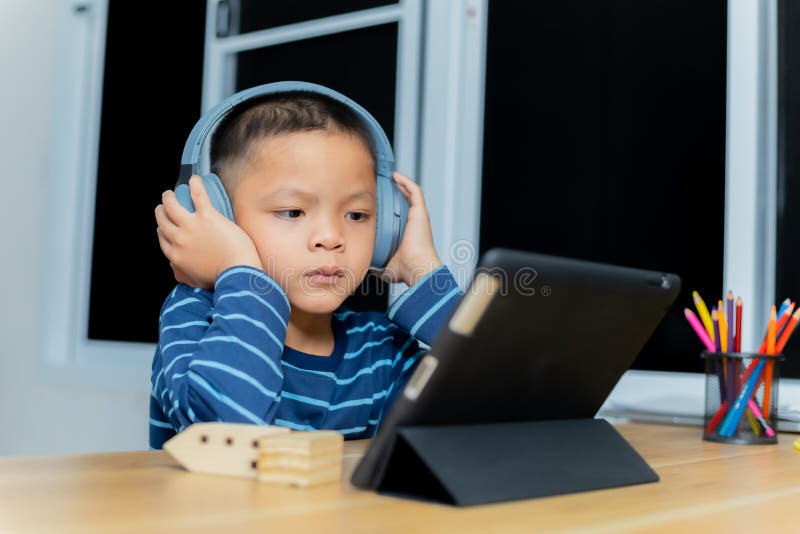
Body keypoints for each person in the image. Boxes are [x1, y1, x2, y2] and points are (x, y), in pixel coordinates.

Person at [149, 89, 462, 449]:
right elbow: (229, 433)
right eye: (293, 212)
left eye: (357, 215)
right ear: (221, 218)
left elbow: (499, 405)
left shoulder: (379, 350)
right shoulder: (193, 320)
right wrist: (239, 269)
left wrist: (425, 272)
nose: (331, 237)